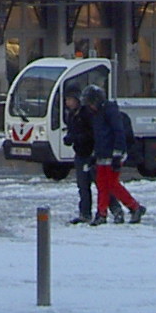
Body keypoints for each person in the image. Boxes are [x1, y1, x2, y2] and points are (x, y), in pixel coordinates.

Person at [92, 89, 147, 225]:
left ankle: (134, 207)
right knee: (102, 184)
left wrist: (117, 153)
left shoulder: (109, 112)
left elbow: (118, 132)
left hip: (112, 154)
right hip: (103, 153)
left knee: (111, 184)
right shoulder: (98, 113)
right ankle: (102, 213)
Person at [63, 83, 103, 224]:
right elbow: (72, 131)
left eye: (70, 99)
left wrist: (78, 137)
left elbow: (93, 133)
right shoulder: (71, 115)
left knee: (100, 184)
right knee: (82, 185)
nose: (67, 103)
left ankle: (111, 210)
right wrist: (69, 138)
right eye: (66, 100)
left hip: (90, 153)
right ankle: (84, 213)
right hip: (80, 153)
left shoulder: (86, 113)